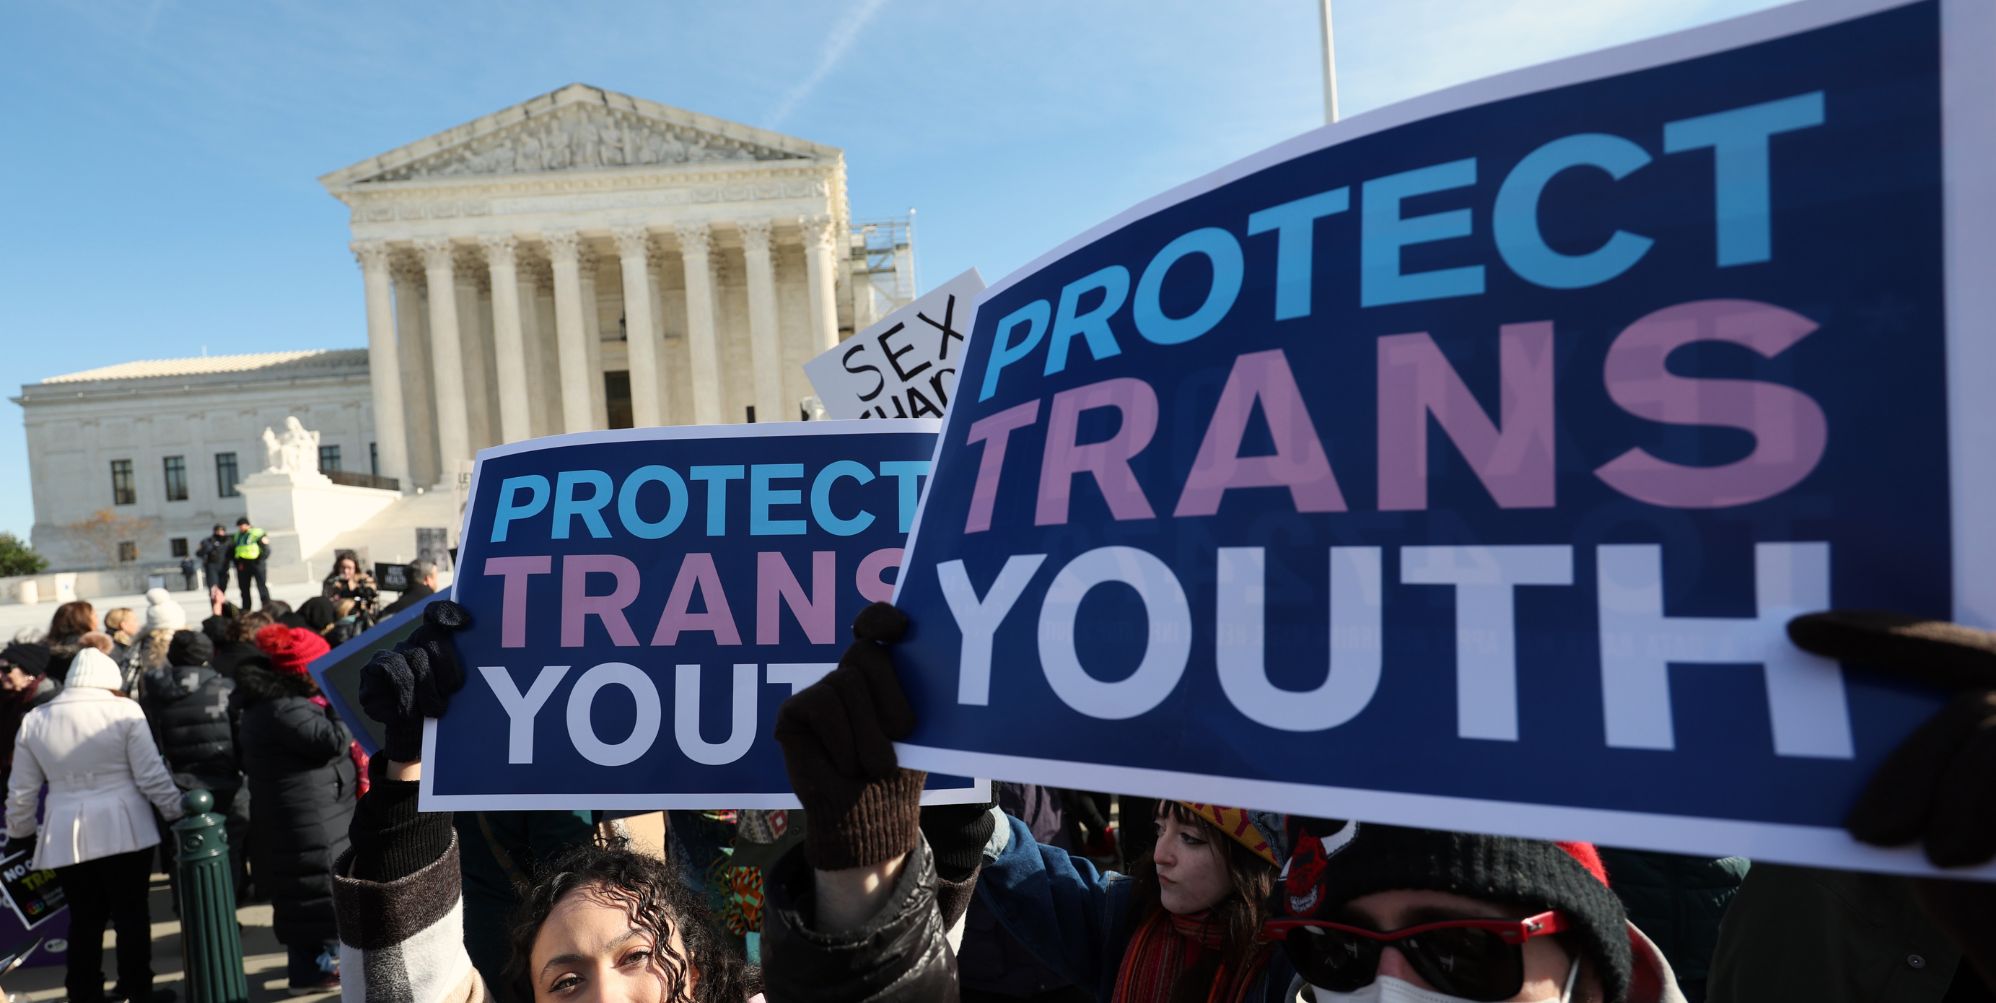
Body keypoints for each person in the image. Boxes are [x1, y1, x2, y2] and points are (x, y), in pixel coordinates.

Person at [334, 601, 765, 1002]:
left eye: (636, 956)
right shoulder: (525, 767)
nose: (606, 998)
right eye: (567, 982)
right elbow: (410, 981)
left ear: (696, 971)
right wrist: (410, 766)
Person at [4, 647, 185, 1003]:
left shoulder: (37, 718)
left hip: (65, 828)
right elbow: (150, 775)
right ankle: (137, 988)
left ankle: (83, 990)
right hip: (125, 823)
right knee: (132, 914)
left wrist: (19, 833)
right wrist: (176, 811)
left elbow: (22, 789)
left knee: (85, 918)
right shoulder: (123, 710)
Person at [235, 624, 355, 993]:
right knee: (314, 894)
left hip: (304, 813)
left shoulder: (276, 704)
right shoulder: (285, 709)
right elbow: (331, 742)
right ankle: (309, 974)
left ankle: (313, 968)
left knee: (308, 895)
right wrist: (340, 703)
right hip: (307, 818)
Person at [140, 629, 250, 901]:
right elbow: (241, 739)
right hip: (224, 783)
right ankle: (227, 909)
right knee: (228, 850)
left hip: (173, 785)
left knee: (181, 850)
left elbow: (150, 739)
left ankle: (188, 915)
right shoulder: (224, 688)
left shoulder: (152, 690)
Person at [0, 642, 59, 789]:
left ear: (29, 672)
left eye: (6, 669)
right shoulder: (11, 697)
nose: (0, 674)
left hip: (41, 786)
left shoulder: (50, 704)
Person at [45, 599, 99, 682]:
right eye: (94, 615)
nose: (97, 620)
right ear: (82, 619)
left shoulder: (50, 644)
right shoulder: (85, 647)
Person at [233, 516, 271, 612]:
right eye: (239, 526)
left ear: (248, 525)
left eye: (242, 525)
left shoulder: (257, 533)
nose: (240, 528)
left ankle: (267, 608)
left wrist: (260, 560)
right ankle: (246, 609)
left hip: (256, 563)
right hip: (243, 564)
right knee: (244, 589)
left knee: (261, 586)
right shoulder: (238, 535)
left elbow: (266, 549)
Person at [197, 523, 233, 597]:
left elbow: (233, 554)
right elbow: (199, 553)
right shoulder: (208, 541)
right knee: (214, 589)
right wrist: (207, 549)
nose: (220, 532)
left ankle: (222, 607)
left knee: (223, 588)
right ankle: (215, 607)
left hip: (224, 567)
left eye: (222, 530)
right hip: (212, 567)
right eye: (218, 530)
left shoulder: (228, 541)